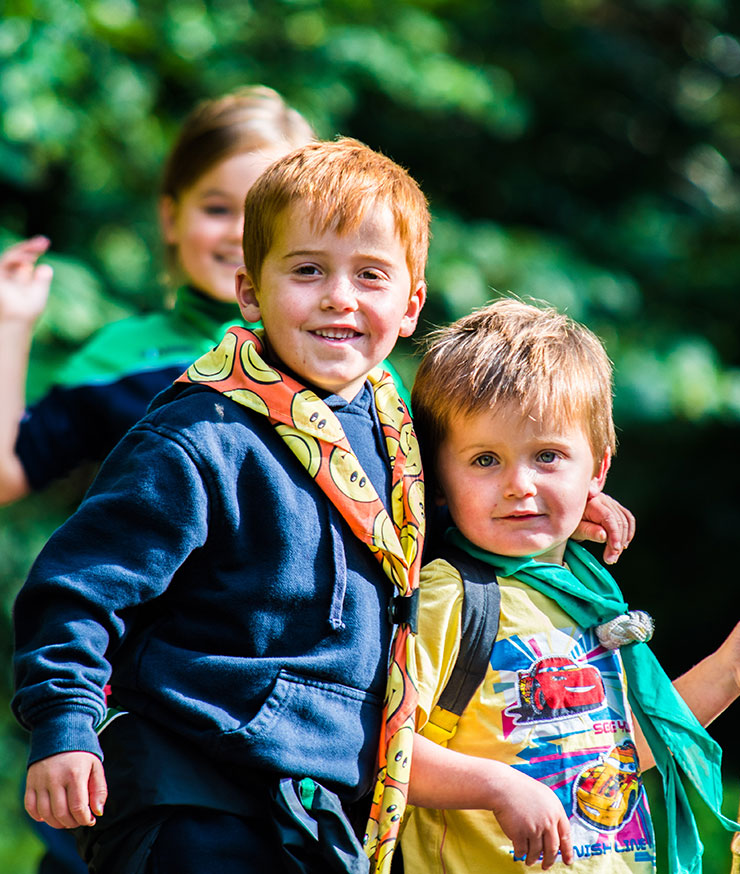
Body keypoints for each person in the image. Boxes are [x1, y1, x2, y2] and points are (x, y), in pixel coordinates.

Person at [11, 137, 434, 874]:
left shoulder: (403, 437)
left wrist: (553, 523)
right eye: (307, 271)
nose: (340, 297)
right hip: (194, 801)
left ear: (410, 305)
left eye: (370, 275)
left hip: (324, 807)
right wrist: (65, 723)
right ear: (250, 292)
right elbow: (80, 587)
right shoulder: (198, 435)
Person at [401, 299, 740, 873]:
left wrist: (730, 672)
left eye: (548, 456)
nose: (519, 485)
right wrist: (496, 786)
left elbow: (612, 757)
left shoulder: (589, 600)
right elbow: (383, 751)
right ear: (439, 479)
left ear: (598, 471)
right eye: (485, 459)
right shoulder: (450, 598)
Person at [0, 85, 316, 508]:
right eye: (217, 209)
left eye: (263, 214)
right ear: (172, 217)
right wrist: (10, 322)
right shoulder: (120, 358)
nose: (239, 232)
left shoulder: (346, 359)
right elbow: (6, 478)